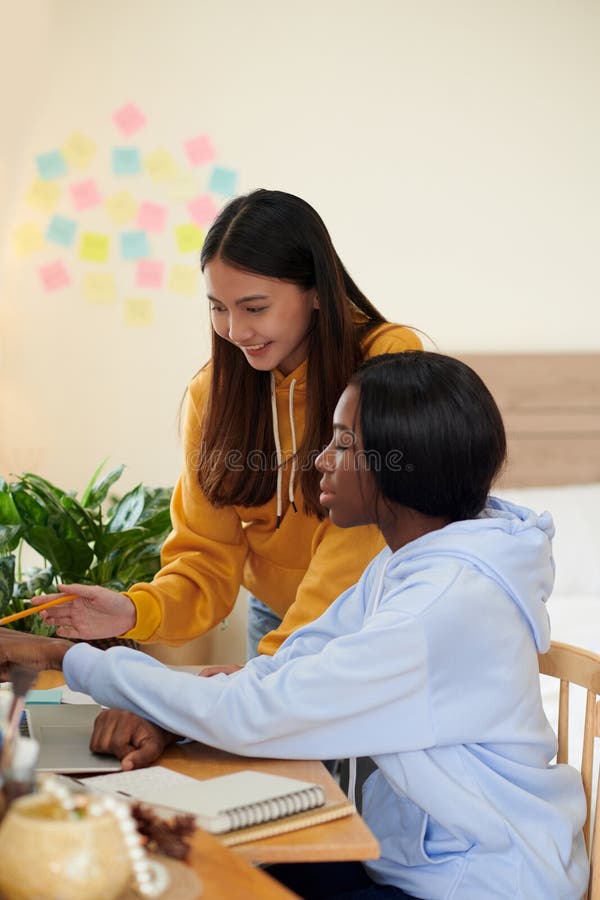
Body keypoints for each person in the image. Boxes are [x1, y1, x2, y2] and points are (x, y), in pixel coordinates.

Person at [0, 352, 589, 900]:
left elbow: (258, 712)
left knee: (185, 877)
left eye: (341, 442)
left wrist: (56, 656)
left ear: (400, 461)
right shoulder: (412, 558)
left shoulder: (436, 608)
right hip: (423, 854)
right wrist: (162, 715)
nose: (321, 460)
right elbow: (291, 667)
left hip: (479, 881)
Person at [32, 189, 421, 660]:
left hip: (379, 616)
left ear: (318, 292)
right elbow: (204, 559)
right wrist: (135, 611)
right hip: (279, 621)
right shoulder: (212, 394)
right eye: (219, 307)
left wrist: (270, 668)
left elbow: (359, 543)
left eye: (254, 308)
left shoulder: (389, 360)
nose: (235, 332)